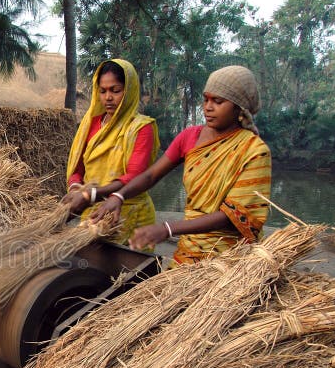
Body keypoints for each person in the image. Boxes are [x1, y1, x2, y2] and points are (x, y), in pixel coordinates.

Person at [90, 65, 271, 266]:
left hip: (231, 256)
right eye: (206, 99)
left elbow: (232, 216)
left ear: (239, 107)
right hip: (190, 250)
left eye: (218, 101)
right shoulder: (190, 136)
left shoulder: (254, 150)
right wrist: (119, 196)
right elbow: (151, 176)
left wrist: (168, 229)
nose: (208, 107)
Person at [62, 59, 160, 244]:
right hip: (93, 217)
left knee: (127, 271)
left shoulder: (141, 128)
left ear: (129, 91)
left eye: (116, 91)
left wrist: (90, 194)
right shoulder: (90, 124)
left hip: (128, 214)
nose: (108, 97)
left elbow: (135, 176)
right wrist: (76, 188)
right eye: (103, 91)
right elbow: (77, 168)